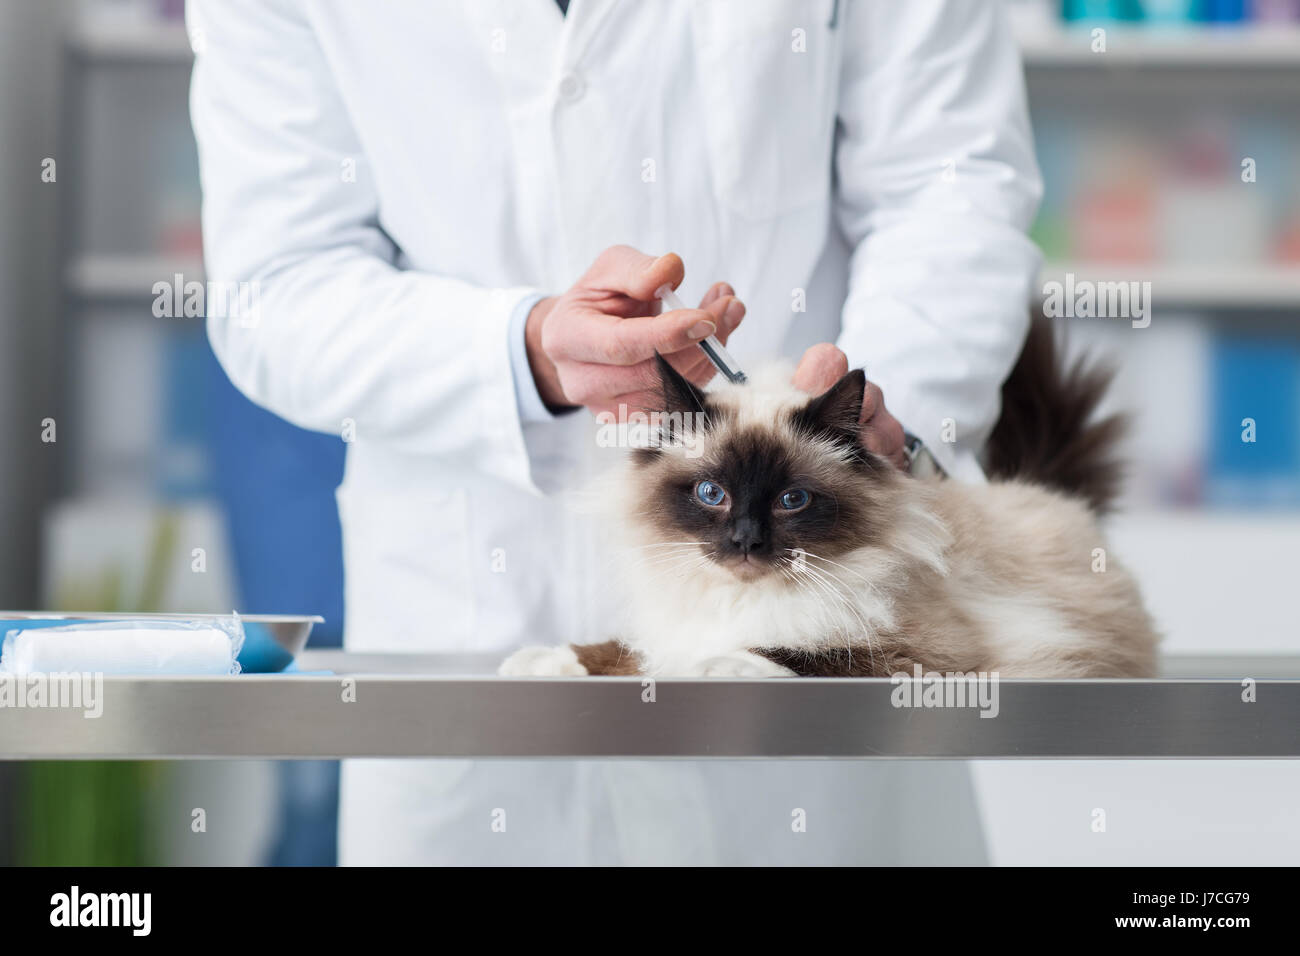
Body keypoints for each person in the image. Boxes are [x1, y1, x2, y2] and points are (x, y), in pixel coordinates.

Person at [189, 0, 1041, 864]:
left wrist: (879, 415)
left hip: (822, 615)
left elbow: (950, 178)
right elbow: (276, 286)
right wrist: (525, 352)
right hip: (470, 597)